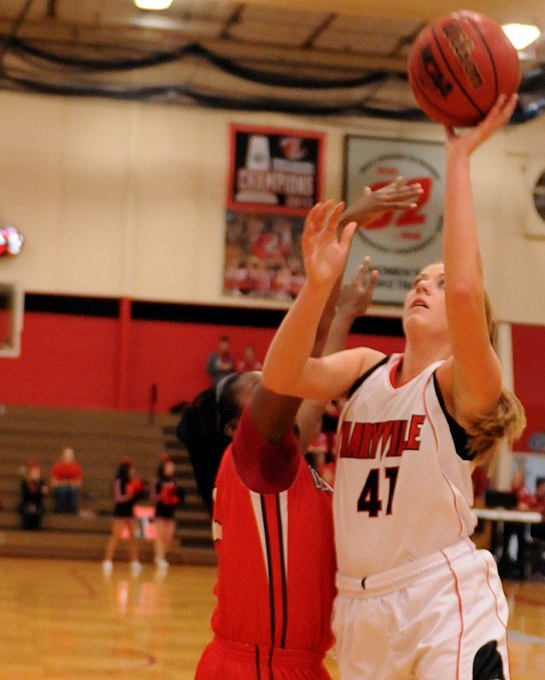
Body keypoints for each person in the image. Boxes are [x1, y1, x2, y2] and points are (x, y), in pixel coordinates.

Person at [261, 94, 526, 680]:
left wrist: (457, 158)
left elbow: (464, 288)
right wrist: (316, 285)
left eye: (438, 280)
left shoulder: (463, 386)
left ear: (471, 327)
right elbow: (282, 376)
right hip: (359, 607)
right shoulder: (364, 368)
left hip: (440, 598)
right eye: (419, 280)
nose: (425, 286)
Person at [183, 181, 420, 680]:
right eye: (257, 385)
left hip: (289, 666)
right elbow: (298, 359)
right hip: (259, 668)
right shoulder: (251, 457)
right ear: (234, 426)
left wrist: (346, 315)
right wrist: (346, 224)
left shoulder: (279, 467)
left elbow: (314, 380)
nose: (271, 383)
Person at [102, 458, 146, 576]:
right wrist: (129, 494)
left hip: (130, 512)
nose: (133, 471)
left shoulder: (133, 481)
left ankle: (135, 561)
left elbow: (138, 496)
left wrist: (139, 491)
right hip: (120, 513)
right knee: (115, 536)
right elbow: (118, 498)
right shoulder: (118, 481)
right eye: (131, 469)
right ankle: (108, 560)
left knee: (133, 537)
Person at [499, 469, 535, 579]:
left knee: (521, 545)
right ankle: (504, 569)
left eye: (518, 478)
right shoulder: (509, 490)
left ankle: (520, 571)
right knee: (505, 543)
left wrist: (521, 506)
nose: (515, 479)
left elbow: (527, 506)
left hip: (520, 522)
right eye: (514, 477)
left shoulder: (525, 492)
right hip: (509, 521)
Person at [152, 453, 185, 572]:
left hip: (170, 512)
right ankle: (160, 557)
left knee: (168, 537)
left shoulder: (175, 481)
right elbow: (152, 495)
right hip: (160, 511)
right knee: (160, 535)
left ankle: (161, 556)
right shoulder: (158, 480)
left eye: (172, 467)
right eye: (169, 467)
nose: (171, 469)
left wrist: (176, 499)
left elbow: (179, 496)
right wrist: (161, 496)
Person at [49, 446, 83, 514]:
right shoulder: (57, 467)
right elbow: (52, 483)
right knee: (63, 490)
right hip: (60, 489)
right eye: (66, 456)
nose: (68, 458)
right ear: (62, 456)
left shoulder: (76, 467)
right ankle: (60, 509)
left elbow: (79, 484)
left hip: (72, 488)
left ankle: (71, 510)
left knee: (72, 490)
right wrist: (62, 483)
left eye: (70, 456)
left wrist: (69, 483)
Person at [18, 460, 48, 531]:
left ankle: (36, 529)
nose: (36, 474)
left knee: (37, 512)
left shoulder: (41, 482)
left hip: (38, 504)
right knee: (28, 512)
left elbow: (40, 497)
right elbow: (26, 495)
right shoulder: (25, 483)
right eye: (34, 472)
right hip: (27, 504)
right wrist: (39, 491)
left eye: (37, 473)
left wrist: (42, 492)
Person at [529, 478, 545, 543]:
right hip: (536, 525)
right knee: (535, 543)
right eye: (544, 487)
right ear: (539, 487)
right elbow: (530, 510)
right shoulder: (533, 498)